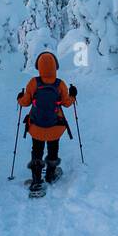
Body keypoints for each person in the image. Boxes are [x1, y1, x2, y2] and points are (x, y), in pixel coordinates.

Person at [17, 51, 77, 197]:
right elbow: (67, 103)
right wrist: (73, 95)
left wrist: (20, 98)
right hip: (55, 127)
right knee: (53, 148)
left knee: (37, 150)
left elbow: (25, 102)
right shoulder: (60, 84)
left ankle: (37, 181)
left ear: (39, 67)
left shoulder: (33, 83)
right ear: (55, 66)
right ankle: (50, 175)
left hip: (36, 126)